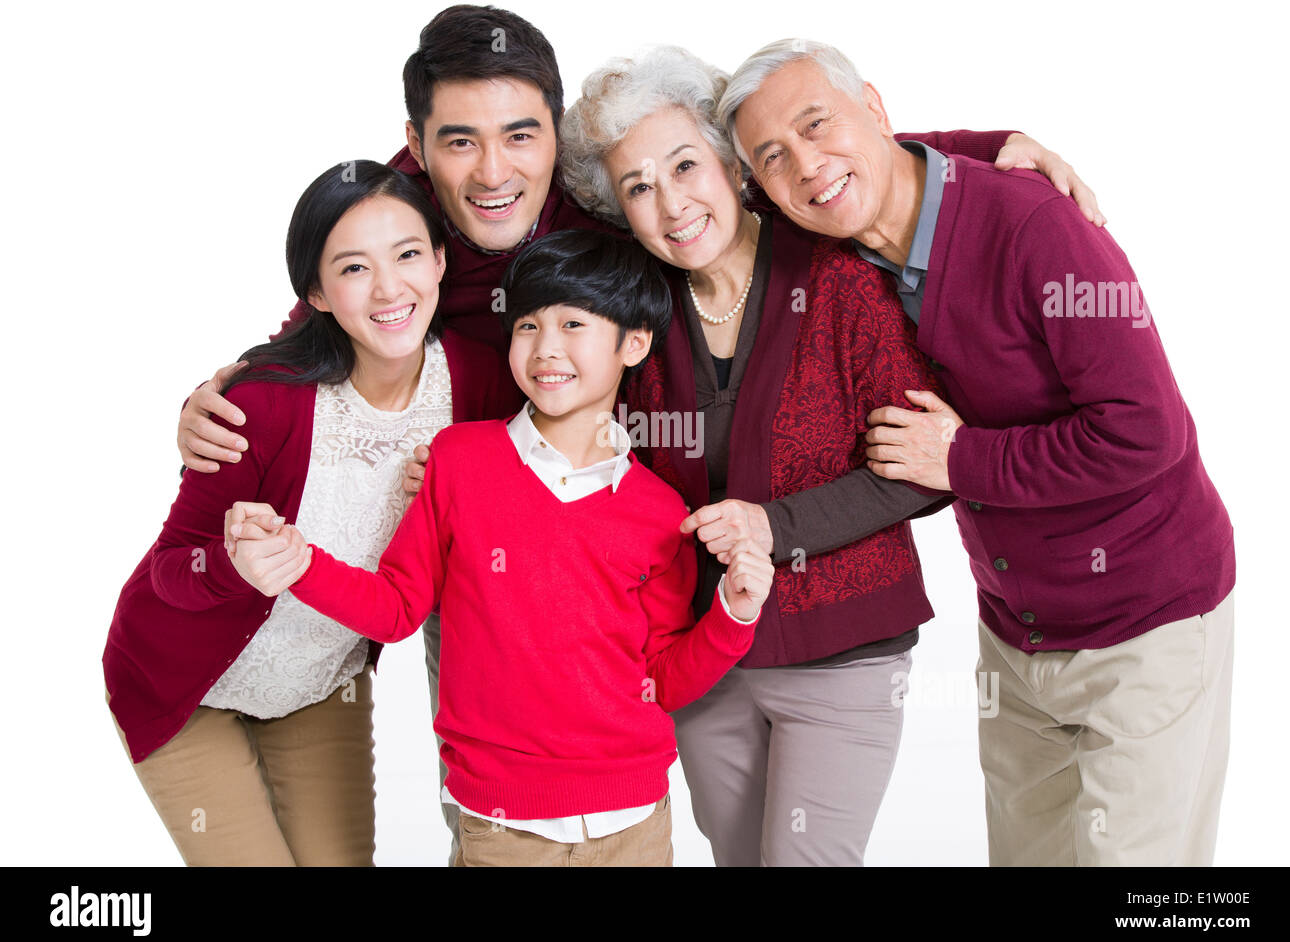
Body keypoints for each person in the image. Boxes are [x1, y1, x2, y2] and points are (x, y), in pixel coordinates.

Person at [169, 4, 1103, 862]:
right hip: (496, 534)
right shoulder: (443, 213)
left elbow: (803, 151)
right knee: (510, 813)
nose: (494, 171)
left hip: (770, 632)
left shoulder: (673, 243)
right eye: (462, 143)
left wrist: (976, 150)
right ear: (422, 148)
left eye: (521, 136)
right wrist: (257, 377)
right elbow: (345, 279)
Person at [721, 38, 1235, 866]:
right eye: (772, 158)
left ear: (876, 110)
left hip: (1149, 624)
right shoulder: (834, 226)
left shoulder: (1037, 227)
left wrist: (959, 461)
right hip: (1018, 634)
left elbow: (1148, 431)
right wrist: (992, 140)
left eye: (818, 124)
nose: (807, 167)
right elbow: (832, 178)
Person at [226, 229, 777, 867]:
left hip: (635, 826)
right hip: (502, 827)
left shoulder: (659, 511)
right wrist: (301, 565)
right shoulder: (459, 461)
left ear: (635, 342)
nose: (546, 349)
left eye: (574, 324)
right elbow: (398, 607)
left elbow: (662, 679)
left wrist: (733, 615)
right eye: (527, 326)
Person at [558, 45, 952, 866]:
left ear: (734, 165)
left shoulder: (838, 271)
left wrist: (771, 526)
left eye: (685, 165)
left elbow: (918, 465)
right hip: (702, 658)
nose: (671, 205)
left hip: (843, 652)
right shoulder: (632, 310)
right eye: (638, 187)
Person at [102, 160, 512, 865]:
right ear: (317, 293)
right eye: (354, 269)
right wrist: (233, 567)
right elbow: (173, 566)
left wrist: (454, 508)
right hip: (184, 684)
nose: (390, 289)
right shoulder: (266, 402)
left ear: (441, 262)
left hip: (325, 683)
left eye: (409, 254)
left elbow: (514, 525)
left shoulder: (480, 382)